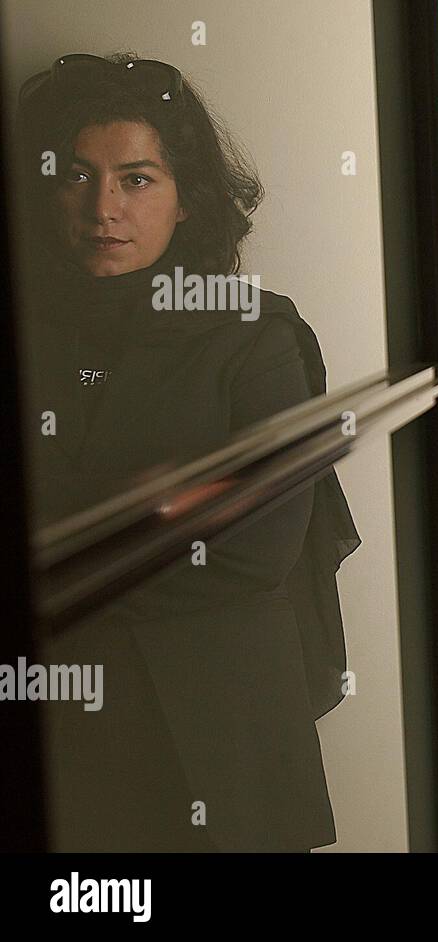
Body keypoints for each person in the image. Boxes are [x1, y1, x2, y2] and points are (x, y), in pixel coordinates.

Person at [14, 52, 361, 851]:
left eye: (137, 179)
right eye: (76, 175)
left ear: (186, 199)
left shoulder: (257, 338)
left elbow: (252, 553)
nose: (102, 206)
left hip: (223, 760)